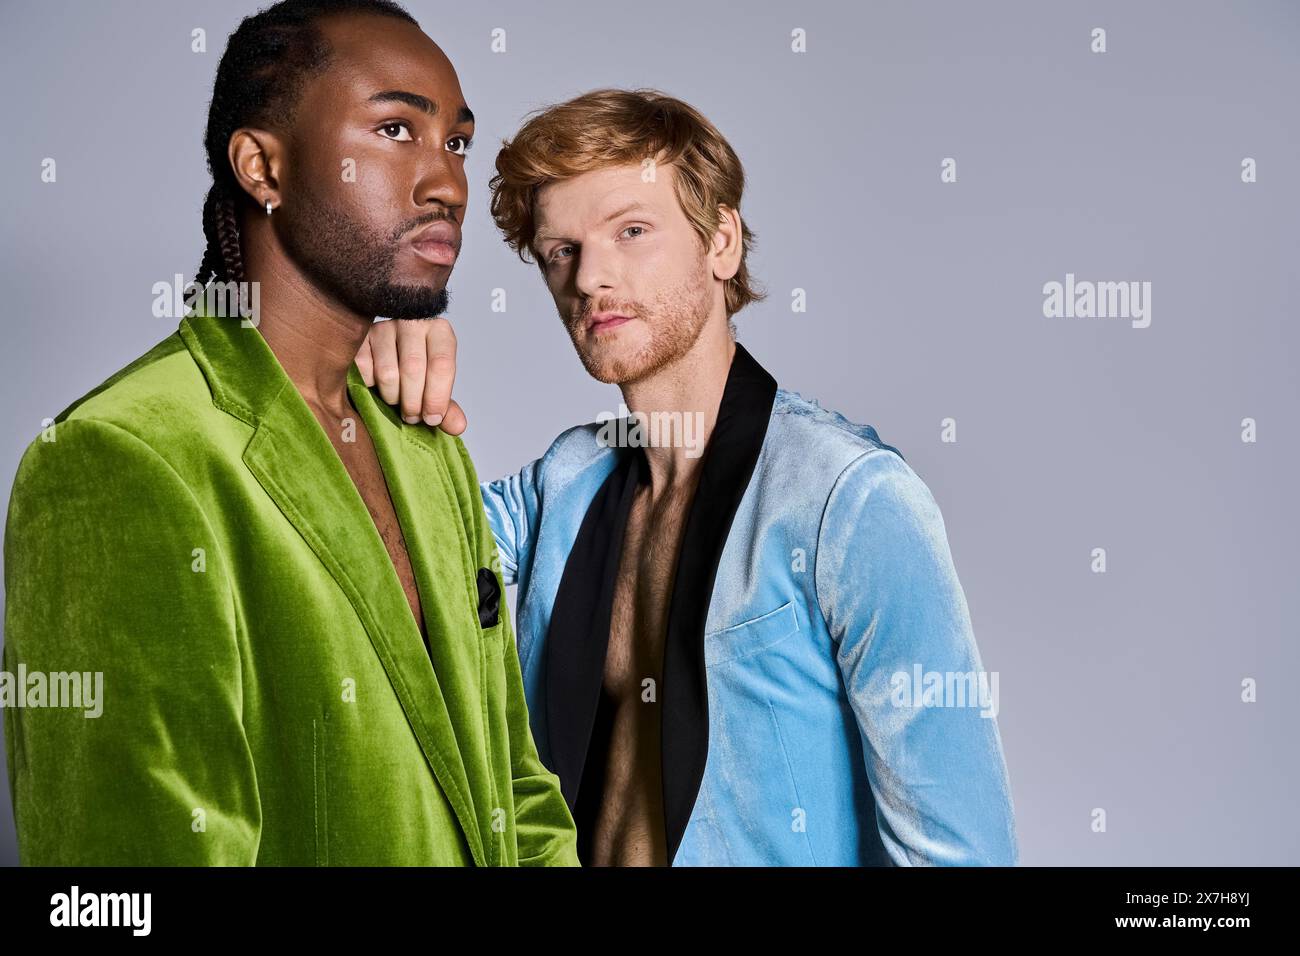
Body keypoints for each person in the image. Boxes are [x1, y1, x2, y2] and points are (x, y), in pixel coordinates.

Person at [357, 89, 1019, 865]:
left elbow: (962, 853)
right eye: (561, 252)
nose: (591, 277)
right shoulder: (561, 488)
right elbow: (370, 552)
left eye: (631, 231)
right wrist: (367, 355)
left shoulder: (850, 502)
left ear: (722, 243)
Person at [2, 0, 576, 866]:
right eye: (395, 130)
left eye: (455, 142)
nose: (447, 183)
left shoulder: (429, 447)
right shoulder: (120, 457)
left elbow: (516, 792)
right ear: (262, 166)